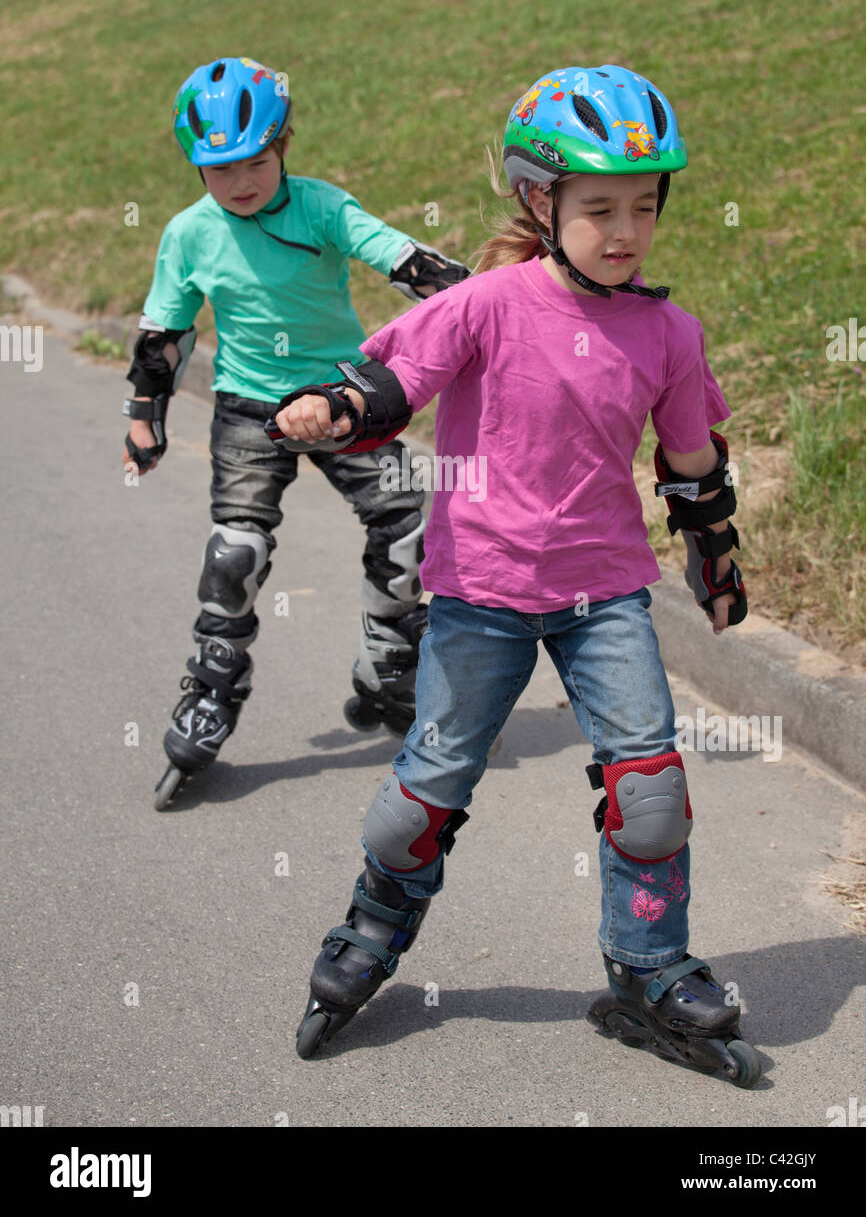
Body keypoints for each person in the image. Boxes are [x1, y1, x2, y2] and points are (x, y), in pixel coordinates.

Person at [272, 63, 761, 1086]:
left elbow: (689, 463)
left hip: (604, 596)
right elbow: (391, 380)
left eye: (642, 206)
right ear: (538, 201)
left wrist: (713, 554)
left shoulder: (666, 332)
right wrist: (337, 407)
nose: (623, 229)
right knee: (424, 796)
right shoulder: (486, 303)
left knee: (651, 793)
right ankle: (369, 932)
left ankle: (647, 967)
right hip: (481, 591)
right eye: (597, 208)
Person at [121, 55, 470, 810]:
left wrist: (470, 292)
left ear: (284, 146)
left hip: (344, 398)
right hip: (248, 407)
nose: (242, 181)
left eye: (257, 161)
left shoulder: (320, 208)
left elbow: (401, 258)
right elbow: (164, 337)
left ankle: (387, 662)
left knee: (410, 524)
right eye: (220, 170)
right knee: (235, 553)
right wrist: (145, 419)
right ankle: (212, 688)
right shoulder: (188, 235)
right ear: (195, 169)